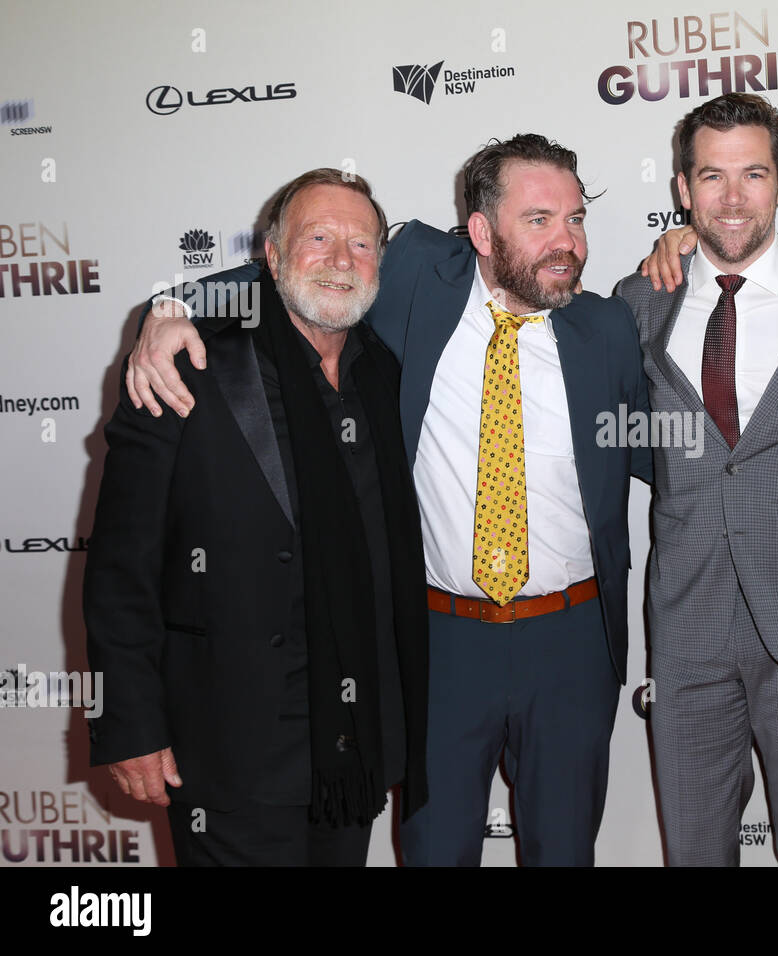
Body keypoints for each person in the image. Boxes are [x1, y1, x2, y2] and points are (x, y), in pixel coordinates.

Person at [126, 136, 652, 866]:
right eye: (538, 220)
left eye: (576, 219)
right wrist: (176, 304)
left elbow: (665, 457)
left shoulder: (608, 330)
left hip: (569, 643)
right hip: (437, 640)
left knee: (565, 850)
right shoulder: (409, 276)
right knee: (433, 847)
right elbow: (301, 268)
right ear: (480, 231)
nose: (566, 242)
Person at [84, 169, 429, 865]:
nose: (340, 260)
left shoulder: (383, 373)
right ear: (270, 257)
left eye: (361, 244)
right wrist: (129, 725)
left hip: (350, 743)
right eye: (319, 238)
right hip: (225, 746)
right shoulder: (186, 366)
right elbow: (122, 565)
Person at [615, 93, 778, 866]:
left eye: (753, 175)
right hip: (687, 624)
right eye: (711, 176)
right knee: (693, 849)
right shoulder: (638, 302)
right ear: (682, 188)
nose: (732, 198)